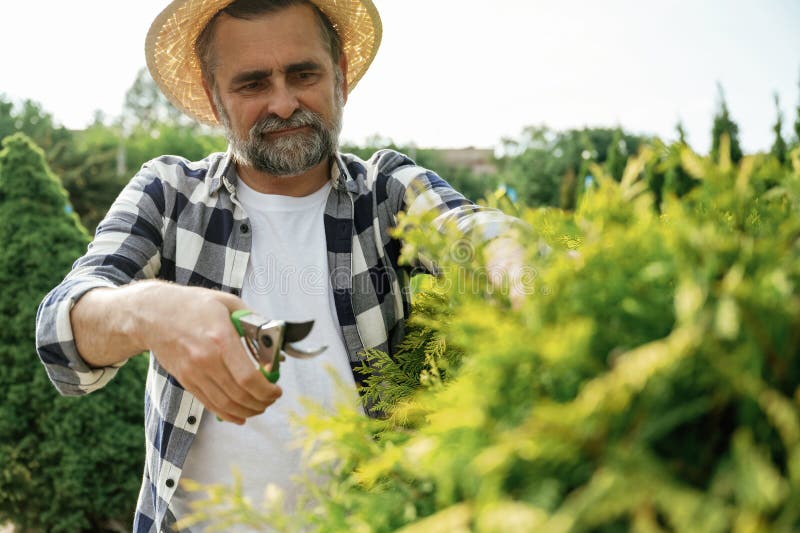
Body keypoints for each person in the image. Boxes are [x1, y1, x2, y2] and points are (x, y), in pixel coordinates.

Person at [35, 0, 523, 531]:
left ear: (339, 78)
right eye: (252, 84)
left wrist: (522, 267)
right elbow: (61, 338)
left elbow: (472, 233)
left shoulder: (386, 192)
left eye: (303, 74)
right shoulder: (170, 194)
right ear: (212, 95)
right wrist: (149, 311)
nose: (284, 104)